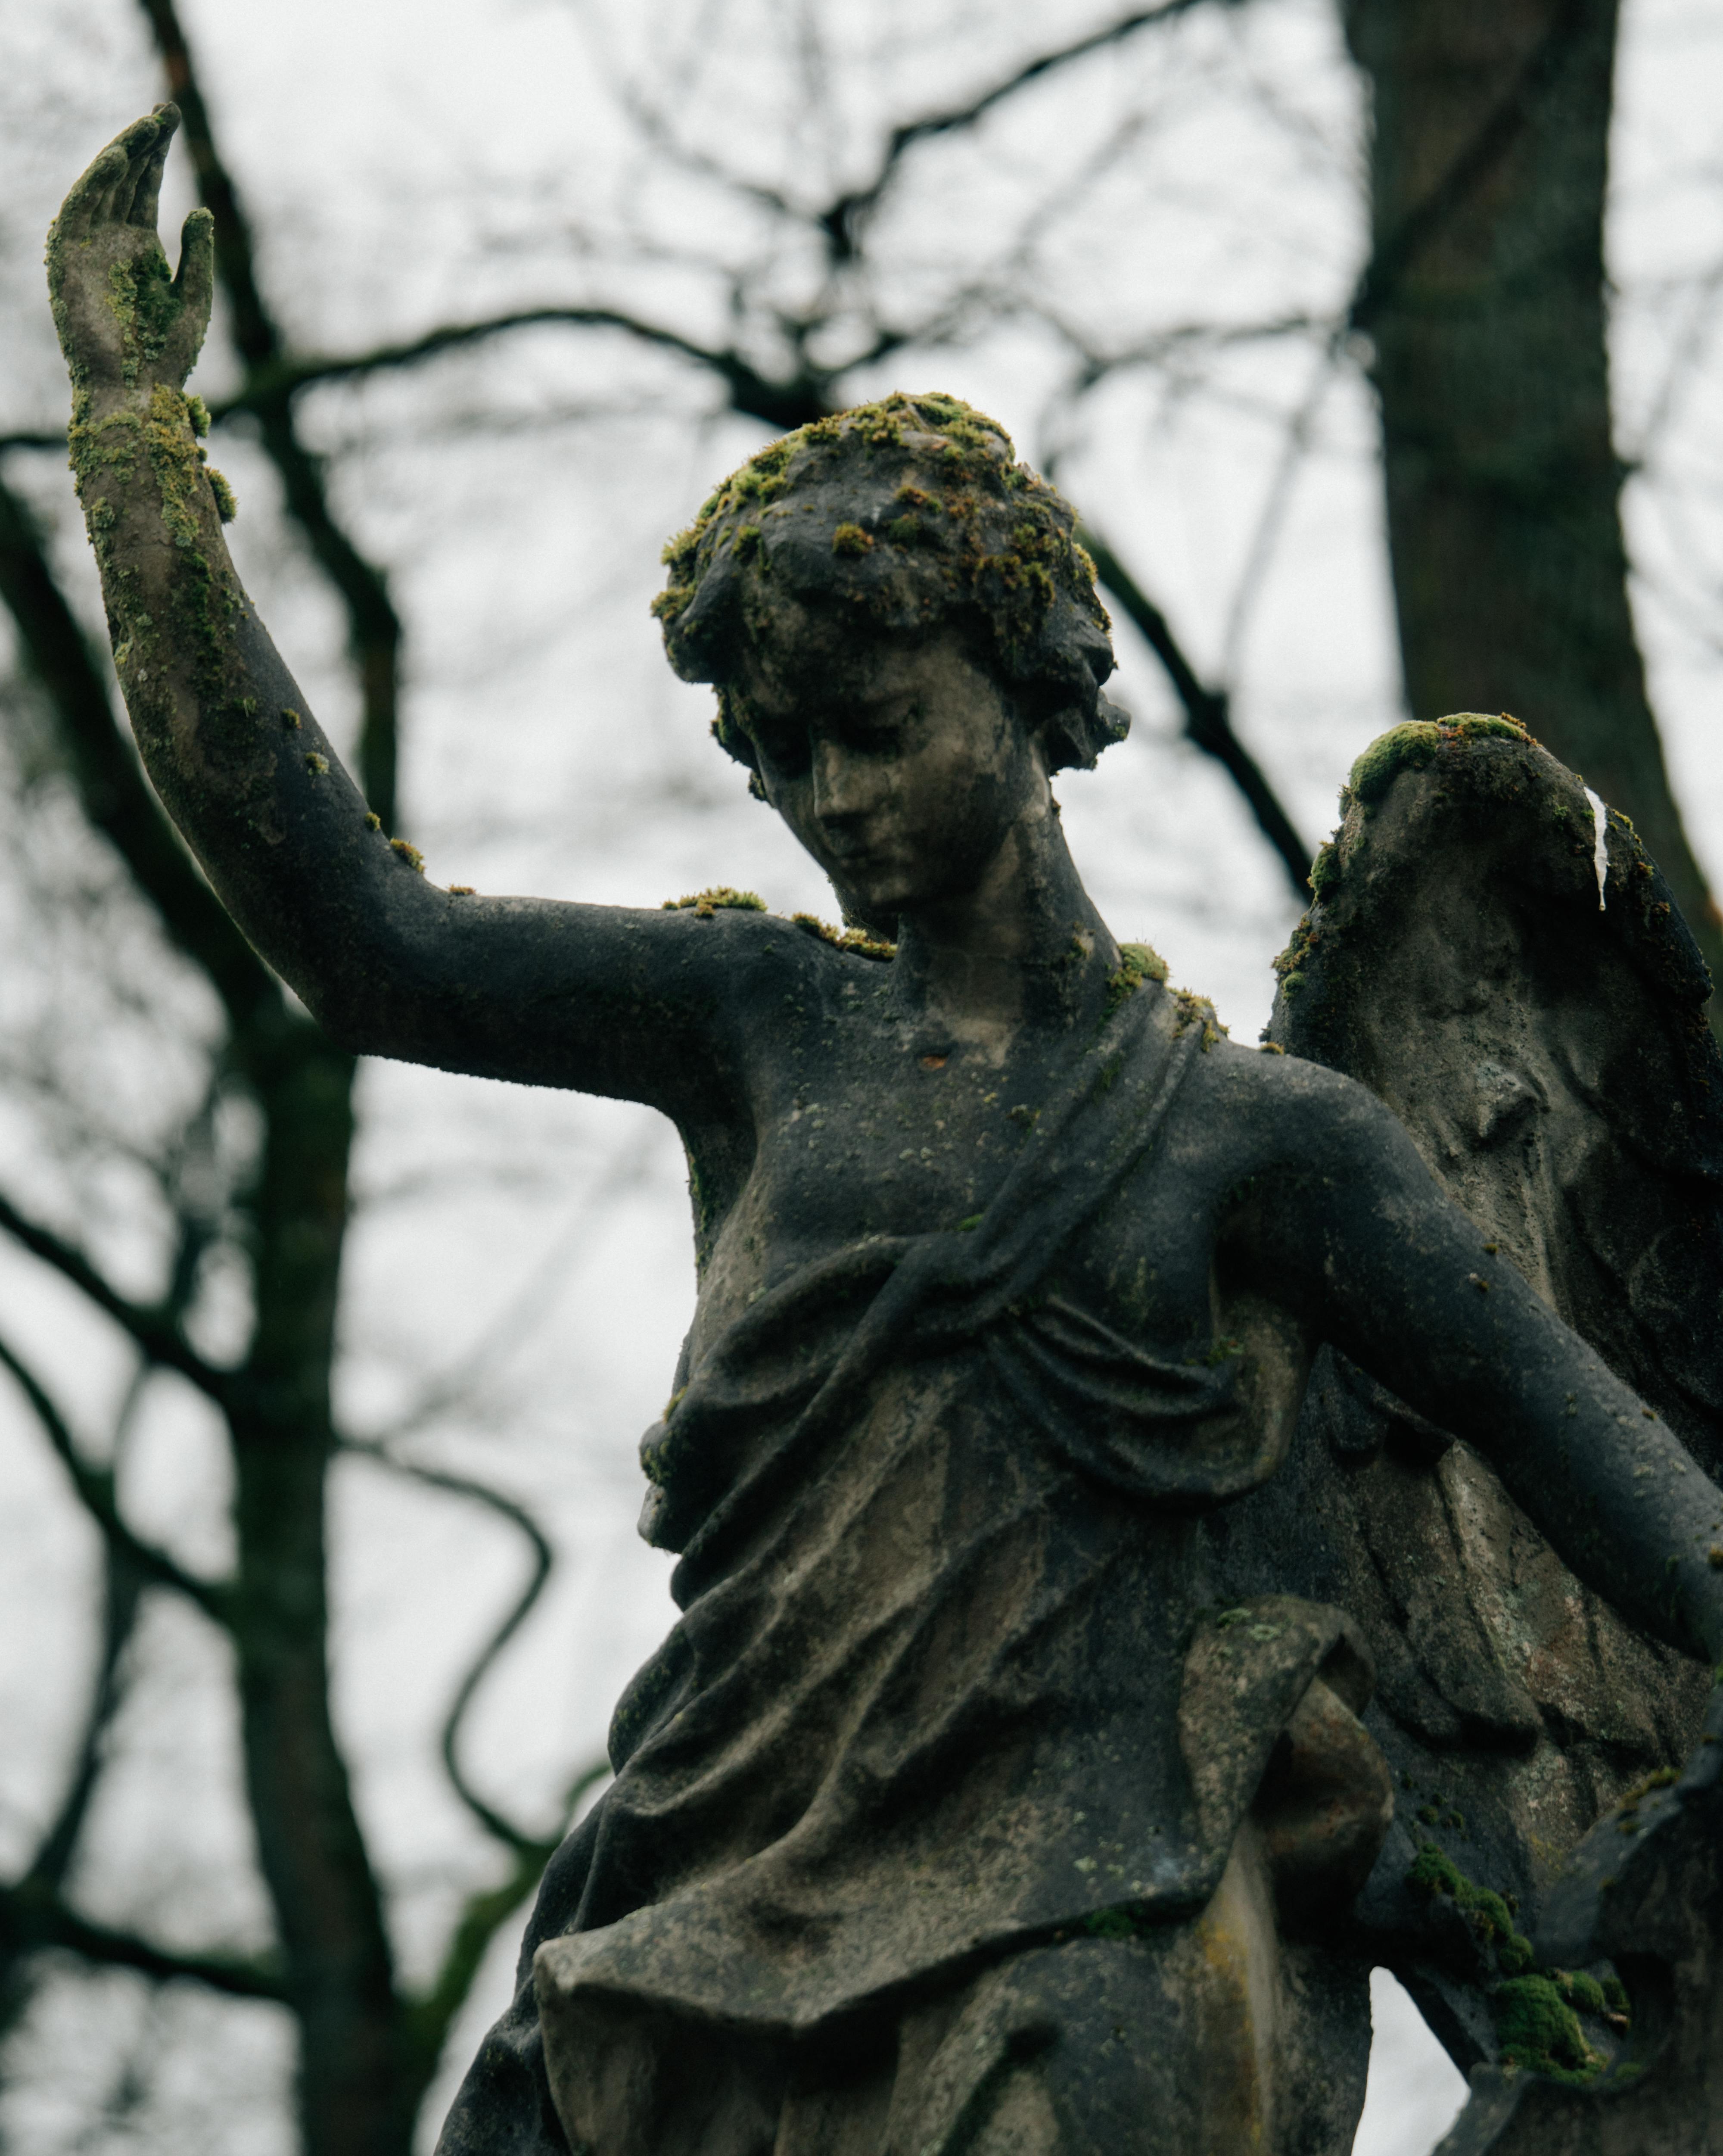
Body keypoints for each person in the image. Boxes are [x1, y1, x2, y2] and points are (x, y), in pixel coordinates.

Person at [45, 107, 1723, 2156]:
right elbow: (362, 934)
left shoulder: (1258, 1142)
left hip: (1080, 1886)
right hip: (713, 1867)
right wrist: (133, 450)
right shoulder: (754, 1020)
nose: (823, 794)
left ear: (1026, 684)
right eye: (773, 751)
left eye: (875, 723)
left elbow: (1608, 1468)